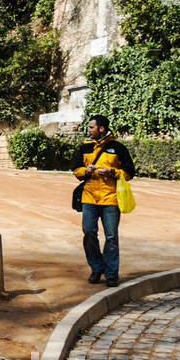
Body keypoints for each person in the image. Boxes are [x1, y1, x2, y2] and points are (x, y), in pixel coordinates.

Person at [71, 114, 136, 287]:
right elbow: (75, 169)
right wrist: (86, 170)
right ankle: (97, 267)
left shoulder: (118, 148)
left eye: (91, 127)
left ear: (101, 129)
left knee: (111, 237)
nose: (89, 130)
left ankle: (111, 273)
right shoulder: (84, 147)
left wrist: (112, 172)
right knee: (89, 232)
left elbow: (129, 172)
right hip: (89, 197)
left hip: (111, 199)